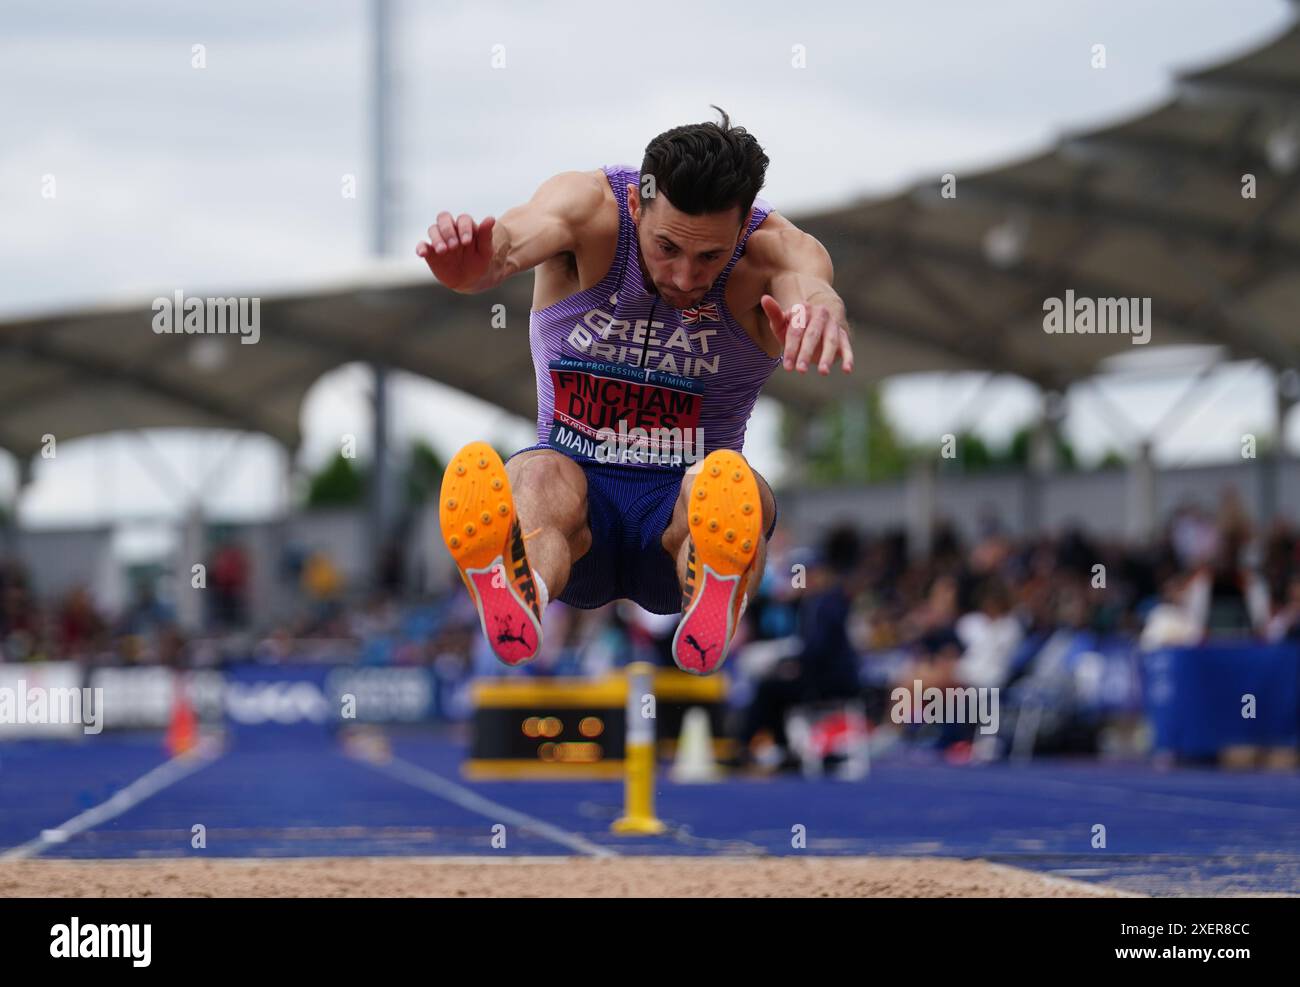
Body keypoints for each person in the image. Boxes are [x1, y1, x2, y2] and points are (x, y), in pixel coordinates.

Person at [418, 109, 853, 674]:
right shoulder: (588, 208)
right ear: (634, 206)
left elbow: (811, 285)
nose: (684, 276)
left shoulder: (773, 250)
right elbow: (512, 237)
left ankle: (715, 588)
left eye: (710, 257)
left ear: (744, 227)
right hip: (579, 520)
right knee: (535, 472)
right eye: (666, 247)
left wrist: (820, 314)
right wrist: (476, 266)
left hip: (677, 525)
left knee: (729, 485)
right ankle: (522, 592)